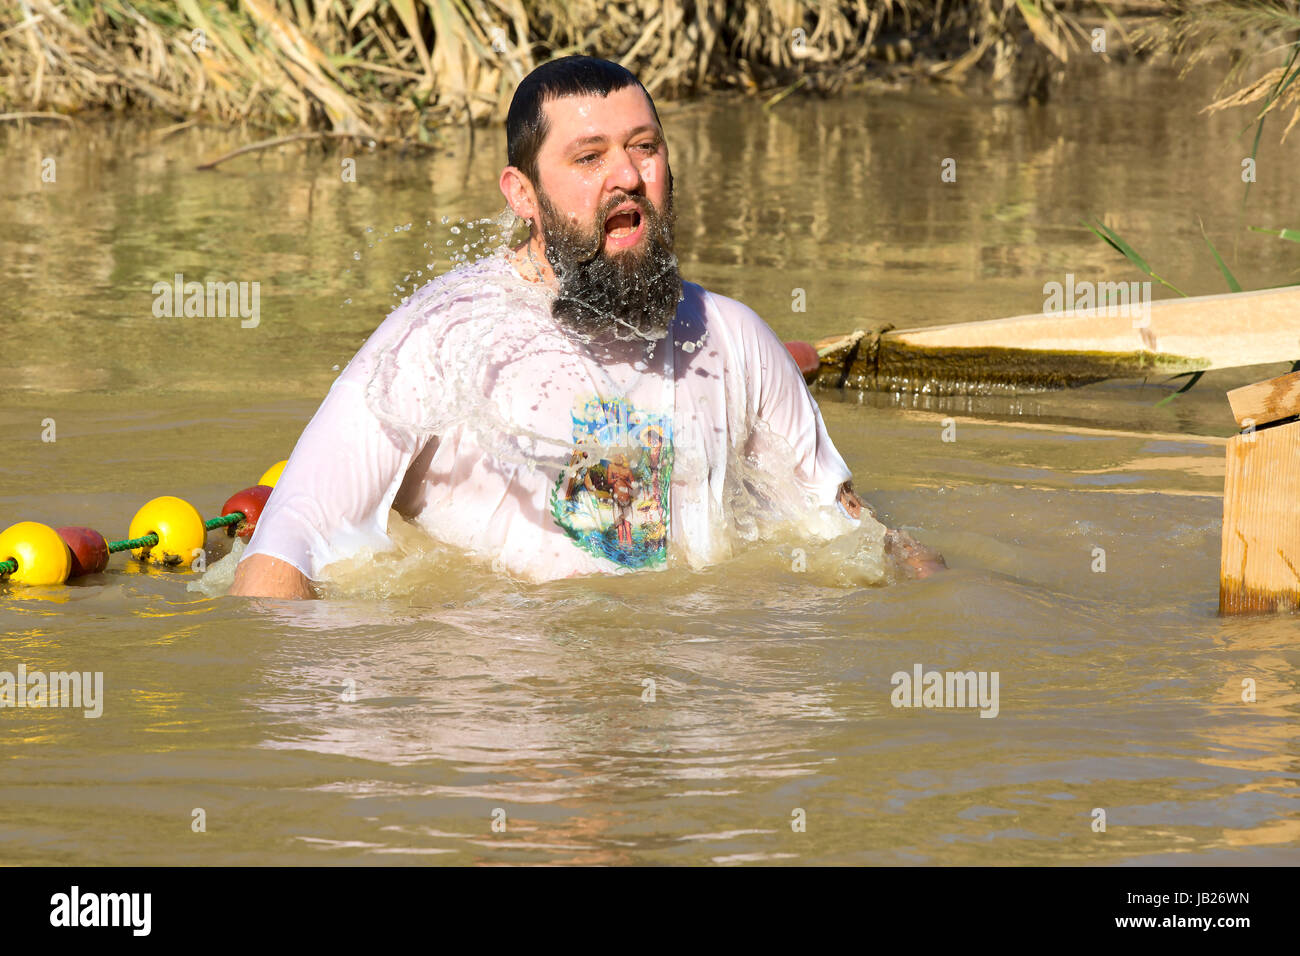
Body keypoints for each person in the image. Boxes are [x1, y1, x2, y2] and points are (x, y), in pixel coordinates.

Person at [230, 55, 944, 600]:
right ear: (523, 195)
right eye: (589, 157)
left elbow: (847, 530)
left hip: (690, 709)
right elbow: (287, 549)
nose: (628, 176)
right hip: (515, 715)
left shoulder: (732, 337)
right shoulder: (444, 337)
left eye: (645, 147)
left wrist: (952, 613)